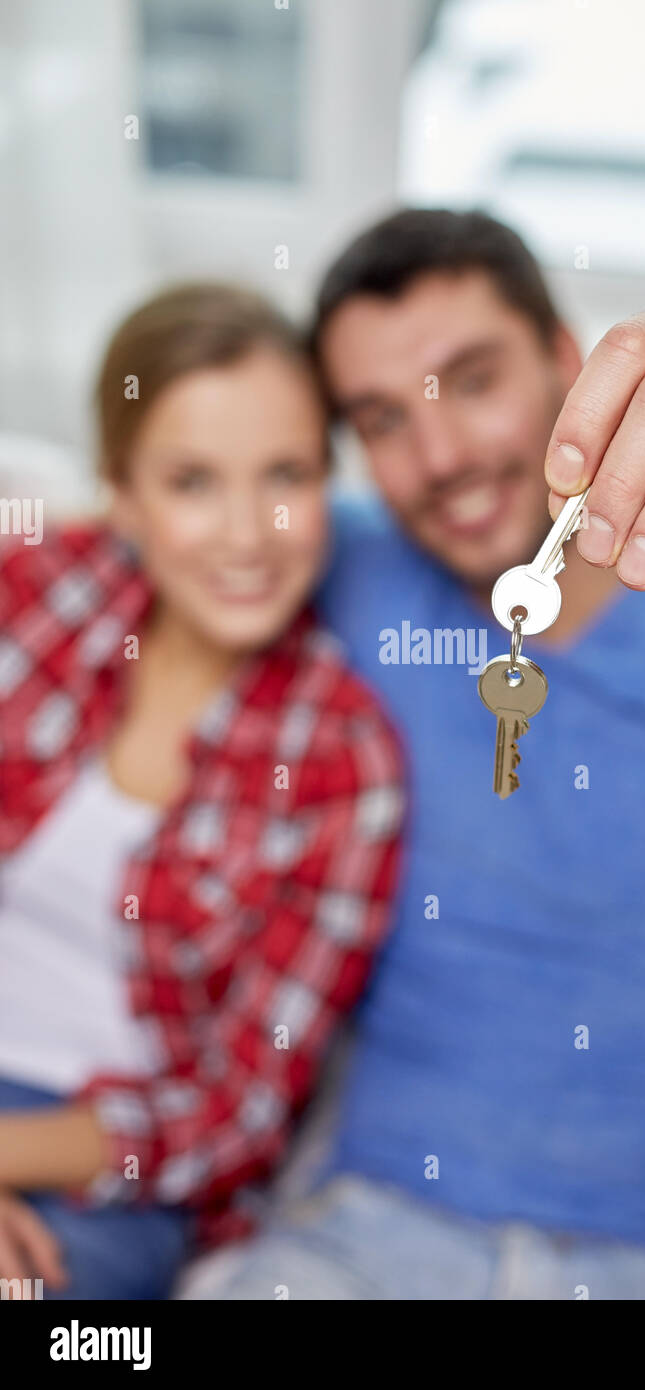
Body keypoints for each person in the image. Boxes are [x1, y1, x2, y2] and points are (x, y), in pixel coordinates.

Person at [182, 209, 645, 1301]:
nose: (441, 456)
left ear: (564, 356)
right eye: (382, 419)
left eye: (472, 378)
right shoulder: (338, 562)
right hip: (359, 1246)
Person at [0, 283, 404, 1299]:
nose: (246, 533)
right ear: (122, 494)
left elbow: (235, 1112)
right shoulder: (35, 593)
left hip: (101, 1178)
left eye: (284, 475)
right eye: (191, 482)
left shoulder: (341, 760)